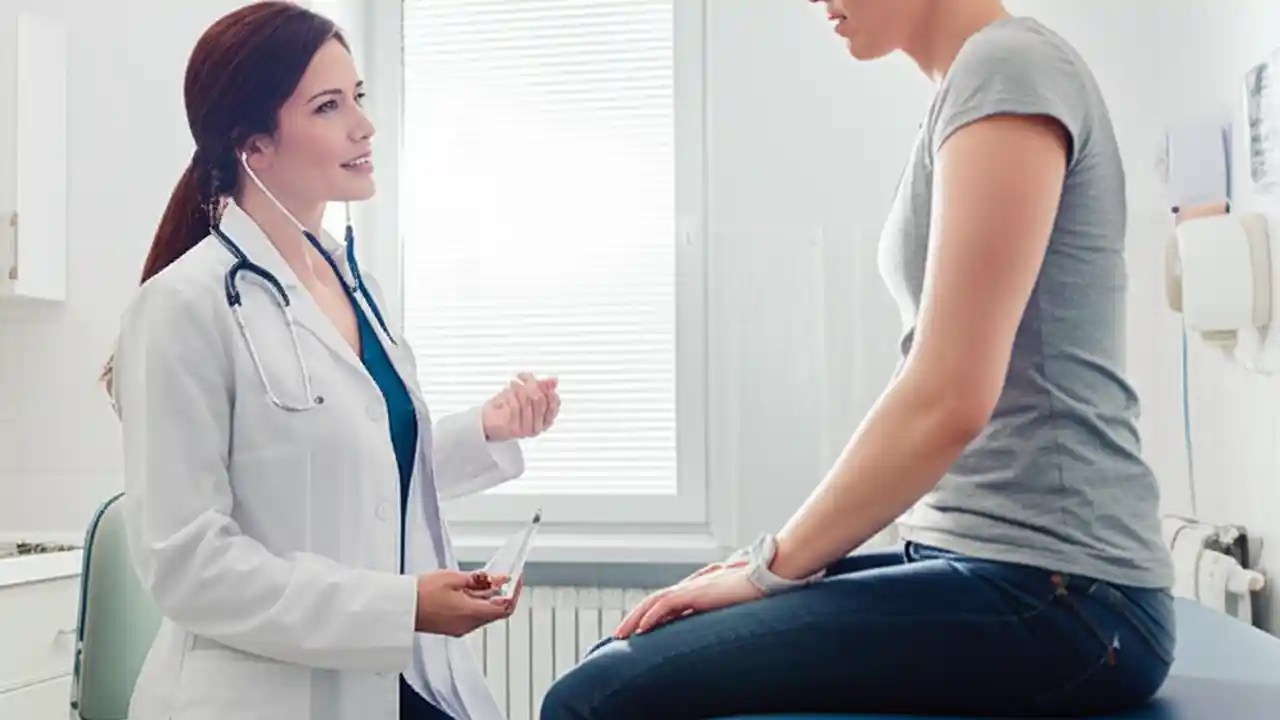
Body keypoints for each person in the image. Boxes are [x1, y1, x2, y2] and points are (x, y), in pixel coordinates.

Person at [541, 1, 1175, 718]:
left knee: (593, 698)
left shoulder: (1009, 69)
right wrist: (770, 563)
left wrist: (770, 567)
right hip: (987, 563)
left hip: (1066, 593)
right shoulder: (975, 84)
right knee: (619, 657)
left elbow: (947, 399)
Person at [107, 3, 558, 719]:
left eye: (358, 97)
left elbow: (350, 472)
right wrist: (402, 606)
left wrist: (486, 431)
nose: (363, 125)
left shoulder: (355, 287)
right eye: (328, 106)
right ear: (255, 145)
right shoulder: (182, 307)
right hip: (260, 696)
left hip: (385, 677)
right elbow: (188, 564)